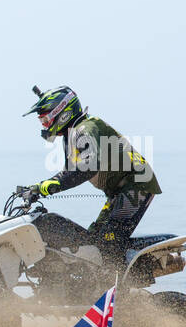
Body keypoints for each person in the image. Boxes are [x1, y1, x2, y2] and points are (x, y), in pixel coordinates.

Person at [22, 85, 162, 270]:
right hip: (119, 192)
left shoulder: (85, 129)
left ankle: (121, 289)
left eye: (46, 119)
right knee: (93, 242)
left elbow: (87, 167)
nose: (45, 125)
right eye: (42, 121)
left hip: (136, 186)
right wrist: (38, 188)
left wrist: (47, 186)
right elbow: (69, 174)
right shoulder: (71, 135)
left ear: (62, 112)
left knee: (108, 245)